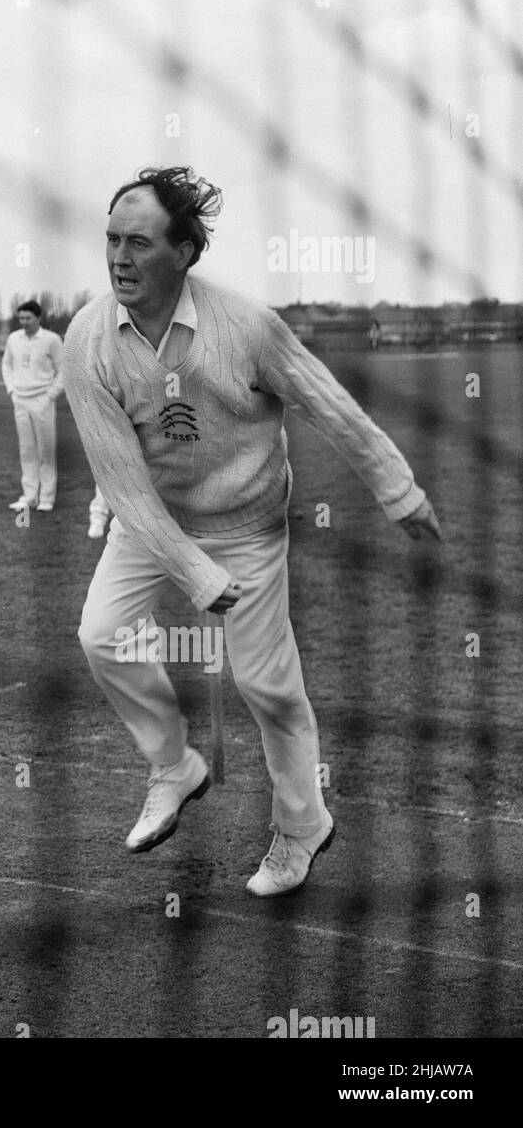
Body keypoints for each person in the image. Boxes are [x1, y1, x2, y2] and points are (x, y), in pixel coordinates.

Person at [63, 166, 441, 896]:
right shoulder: (85, 340)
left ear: (184, 252)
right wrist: (193, 575)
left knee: (265, 685)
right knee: (100, 634)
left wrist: (397, 490)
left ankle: (301, 827)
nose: (117, 258)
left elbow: (331, 408)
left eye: (137, 243)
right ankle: (174, 767)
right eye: (110, 240)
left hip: (248, 527)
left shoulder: (247, 327)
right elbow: (122, 484)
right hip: (151, 523)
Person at [1, 300, 64, 512]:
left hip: (42, 400)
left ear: (38, 318)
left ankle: (46, 498)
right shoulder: (13, 339)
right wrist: (12, 391)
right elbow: (6, 365)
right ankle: (29, 497)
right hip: (20, 399)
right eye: (21, 318)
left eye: (28, 318)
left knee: (46, 450)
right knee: (27, 450)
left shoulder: (51, 340)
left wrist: (50, 395)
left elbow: (64, 370)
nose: (24, 322)